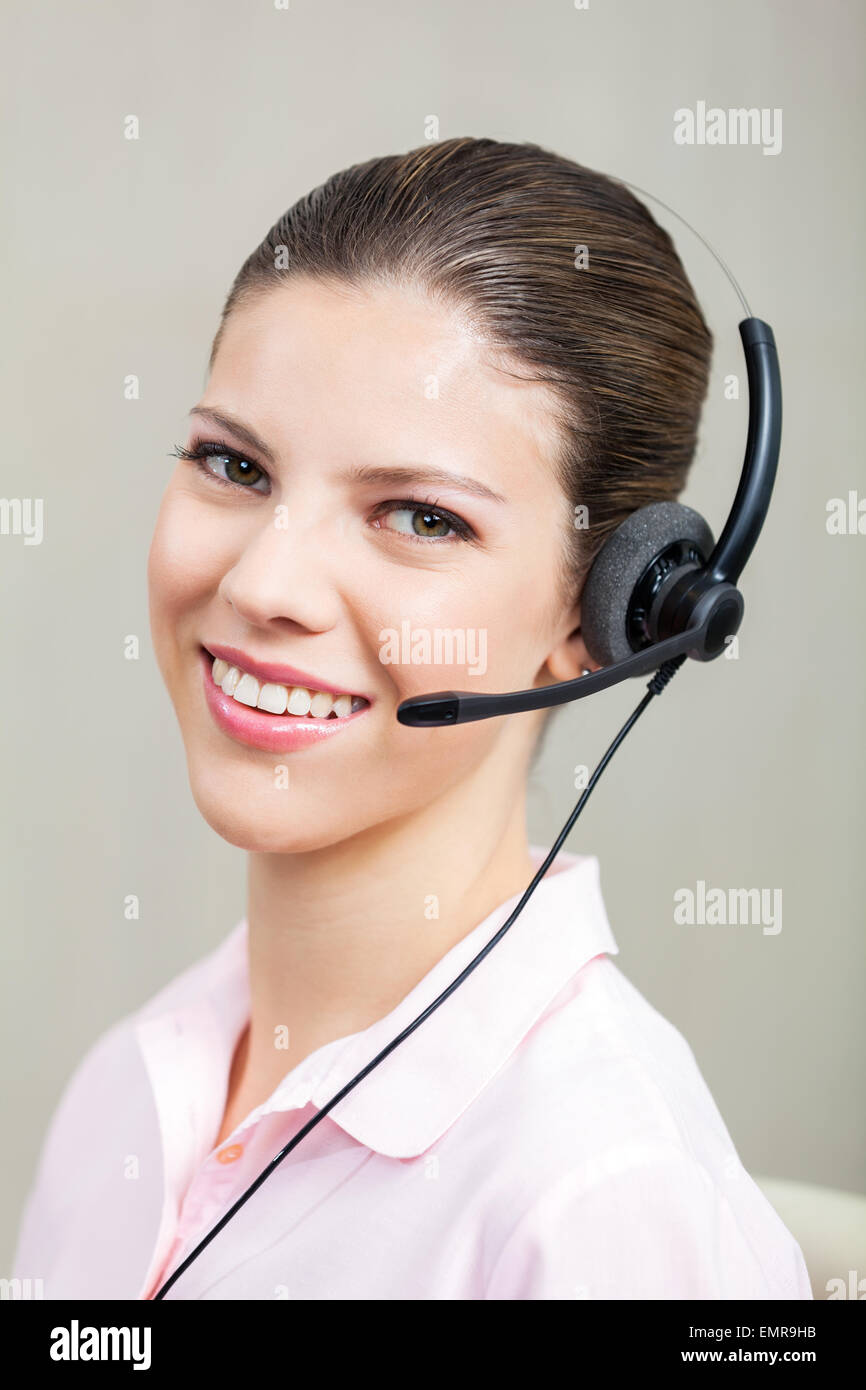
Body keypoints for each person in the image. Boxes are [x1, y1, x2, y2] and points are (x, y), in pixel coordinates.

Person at [12, 136, 813, 1300]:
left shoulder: (607, 1209)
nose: (262, 586)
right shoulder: (130, 1086)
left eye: (420, 518)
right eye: (233, 466)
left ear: (615, 610)